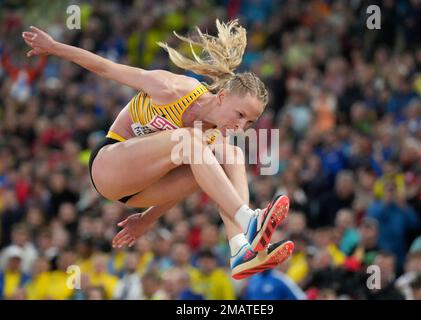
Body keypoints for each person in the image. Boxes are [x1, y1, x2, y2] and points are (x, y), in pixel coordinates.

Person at [22, 19, 294, 280]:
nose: (241, 126)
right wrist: (54, 47)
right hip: (110, 162)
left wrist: (147, 219)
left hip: (139, 191)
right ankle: (249, 220)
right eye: (239, 114)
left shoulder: (211, 136)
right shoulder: (174, 89)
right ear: (222, 97)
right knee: (193, 141)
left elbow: (192, 180)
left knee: (230, 155)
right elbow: (107, 68)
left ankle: (239, 249)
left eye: (250, 122)